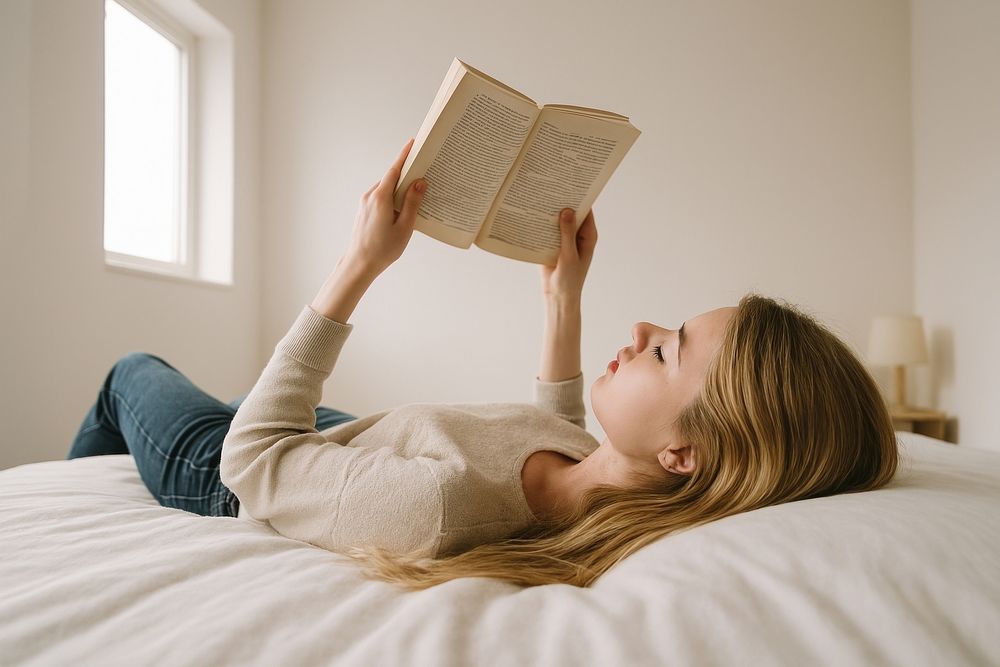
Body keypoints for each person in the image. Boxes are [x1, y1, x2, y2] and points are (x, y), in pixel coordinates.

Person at [69, 138, 898, 590]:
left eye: (663, 350)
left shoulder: (436, 505)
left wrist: (361, 264)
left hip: (234, 469)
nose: (643, 326)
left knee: (128, 370)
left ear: (684, 453)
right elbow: (559, 428)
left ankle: (72, 538)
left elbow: (253, 460)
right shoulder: (601, 483)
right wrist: (563, 296)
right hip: (340, 437)